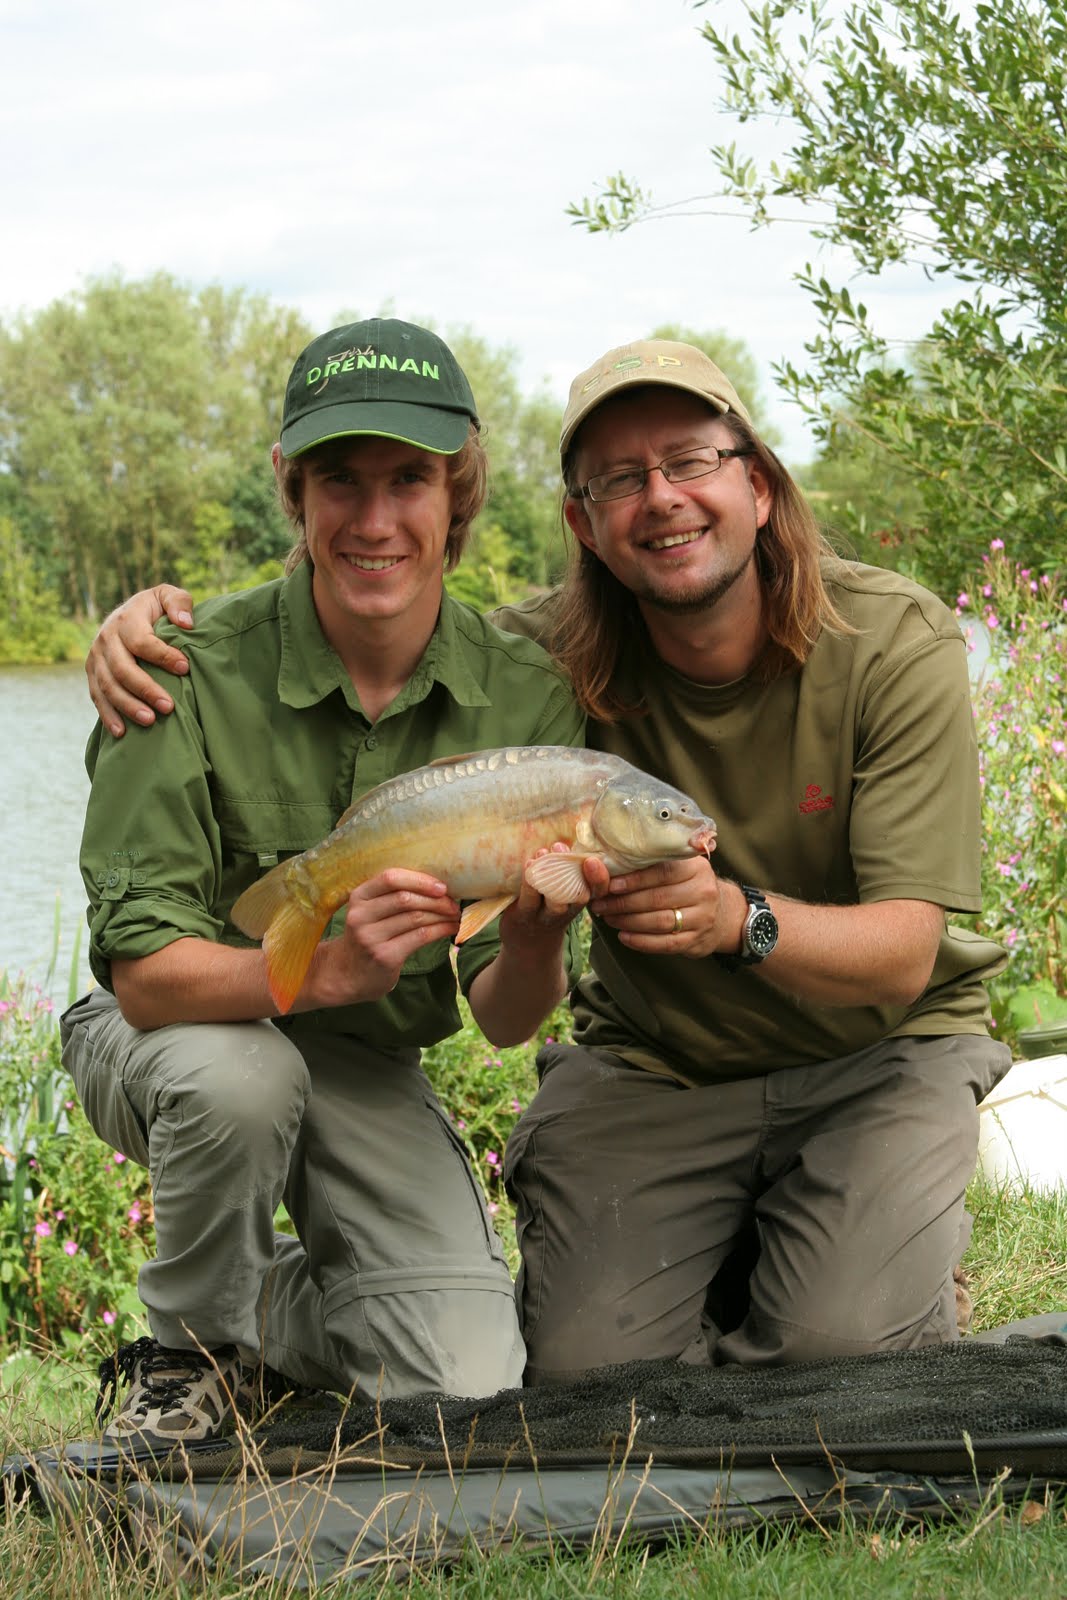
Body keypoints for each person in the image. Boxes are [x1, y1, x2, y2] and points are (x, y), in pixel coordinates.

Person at [85, 337, 1010, 1385]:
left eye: (691, 462)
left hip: (872, 1052)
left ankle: (846, 1259)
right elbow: (140, 966)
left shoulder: (875, 641)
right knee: (570, 1369)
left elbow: (899, 957)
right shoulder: (510, 662)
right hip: (607, 1062)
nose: (659, 499)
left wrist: (705, 920)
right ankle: (199, 1354)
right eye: (618, 479)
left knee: (801, 1357)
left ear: (756, 482)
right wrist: (136, 623)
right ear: (582, 521)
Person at [63, 317, 588, 1449]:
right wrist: (327, 967)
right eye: (338, 480)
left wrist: (538, 930)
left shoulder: (525, 702)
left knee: (464, 1381)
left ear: (458, 492)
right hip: (172, 1033)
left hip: (358, 1056)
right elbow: (148, 982)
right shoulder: (182, 666)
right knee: (237, 1074)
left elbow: (503, 1019)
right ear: (289, 492)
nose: (375, 518)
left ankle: (268, 1315)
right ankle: (190, 1358)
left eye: (410, 478)